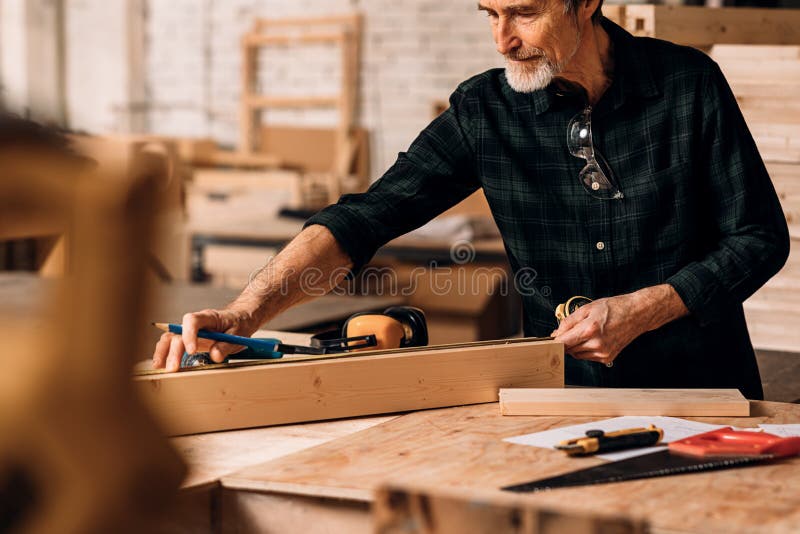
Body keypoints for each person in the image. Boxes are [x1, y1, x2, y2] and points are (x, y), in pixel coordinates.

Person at [153, 0, 789, 400]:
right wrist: (246, 312)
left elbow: (759, 238)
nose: (503, 41)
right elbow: (366, 216)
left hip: (705, 394)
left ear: (587, 3)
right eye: (490, 13)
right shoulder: (485, 110)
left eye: (525, 13)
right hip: (561, 398)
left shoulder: (688, 85)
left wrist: (645, 309)